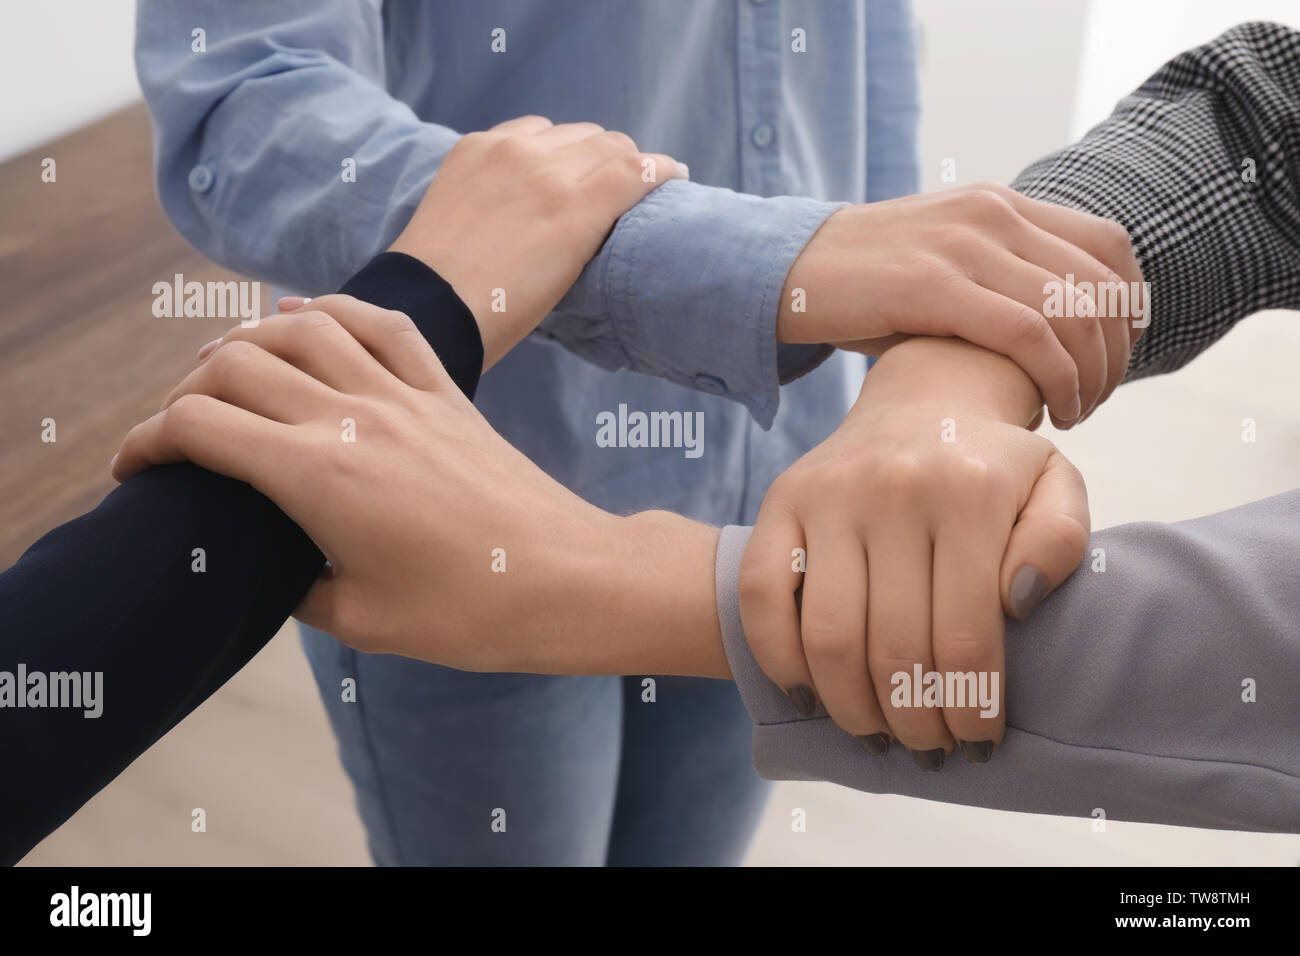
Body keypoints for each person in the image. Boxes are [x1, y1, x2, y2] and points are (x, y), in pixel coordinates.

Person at [133, 0, 1140, 864]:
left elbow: (863, 41)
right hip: (462, 484)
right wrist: (764, 263)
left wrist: (905, 364)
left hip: (776, 468)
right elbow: (243, 103)